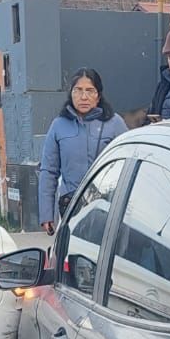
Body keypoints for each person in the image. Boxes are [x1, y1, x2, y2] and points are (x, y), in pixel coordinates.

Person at [38, 67, 128, 234]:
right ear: (71, 94)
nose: (84, 97)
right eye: (78, 90)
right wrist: (46, 214)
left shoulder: (115, 123)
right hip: (70, 207)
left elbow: (128, 166)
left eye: (90, 91)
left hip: (107, 209)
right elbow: (48, 171)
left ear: (98, 96)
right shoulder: (58, 125)